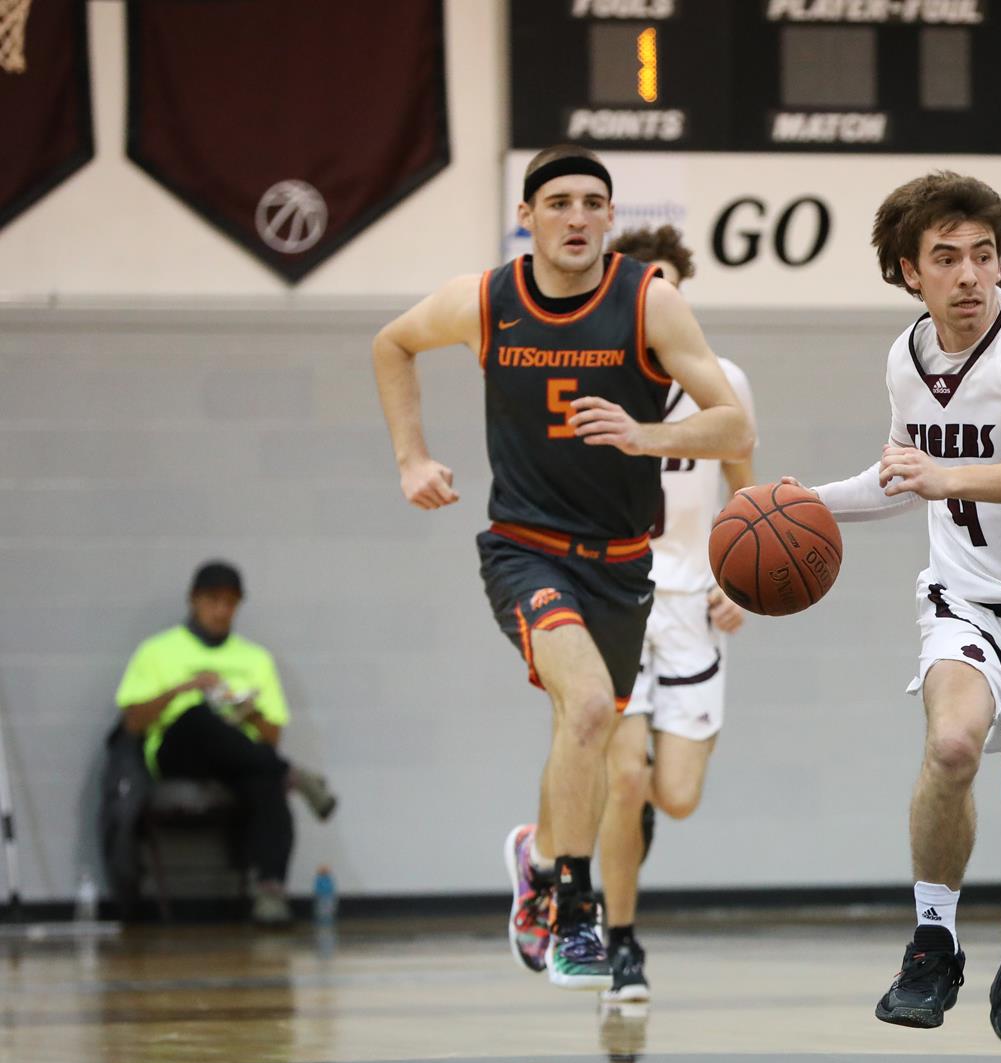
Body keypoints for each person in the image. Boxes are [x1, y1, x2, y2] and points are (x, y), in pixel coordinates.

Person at [370, 145, 754, 990]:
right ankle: (578, 915)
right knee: (585, 709)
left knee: (585, 731)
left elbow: (736, 431)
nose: (576, 217)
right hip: (527, 549)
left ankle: (538, 858)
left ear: (610, 217)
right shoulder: (487, 299)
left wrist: (644, 434)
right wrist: (411, 458)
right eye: (558, 202)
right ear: (527, 216)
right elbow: (392, 343)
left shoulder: (649, 302)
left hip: (623, 564)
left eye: (591, 202)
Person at [792, 171, 1001, 1043]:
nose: (970, 273)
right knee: (952, 743)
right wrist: (802, 504)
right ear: (910, 271)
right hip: (964, 598)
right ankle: (933, 942)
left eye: (984, 254)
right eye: (946, 257)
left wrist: (950, 476)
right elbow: (906, 477)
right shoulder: (907, 357)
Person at [591, 224, 757, 1003]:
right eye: (644, 286)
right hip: (614, 598)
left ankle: (628, 827)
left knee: (676, 796)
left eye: (670, 286)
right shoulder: (592, 380)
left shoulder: (724, 381)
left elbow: (747, 494)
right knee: (625, 779)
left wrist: (741, 581)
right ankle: (620, 941)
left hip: (692, 604)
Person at [112, 560, 336, 925]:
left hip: (239, 759)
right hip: (177, 751)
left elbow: (271, 738)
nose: (221, 610)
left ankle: (270, 894)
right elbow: (133, 723)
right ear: (194, 600)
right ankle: (293, 775)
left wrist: (244, 711)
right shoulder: (157, 651)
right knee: (199, 715)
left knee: (266, 780)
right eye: (212, 600)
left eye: (230, 602)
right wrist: (185, 688)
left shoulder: (256, 659)